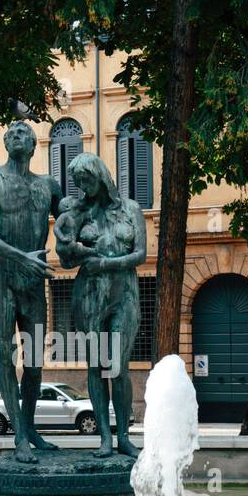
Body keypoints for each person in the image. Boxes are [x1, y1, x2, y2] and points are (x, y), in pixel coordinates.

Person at [0, 121, 61, 463]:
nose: (15, 136)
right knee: (6, 354)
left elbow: (69, 221)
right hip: (1, 276)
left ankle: (30, 427)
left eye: (22, 132)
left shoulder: (48, 186)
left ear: (34, 143)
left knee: (36, 363)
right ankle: (20, 437)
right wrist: (21, 256)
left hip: (34, 282)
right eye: (9, 134)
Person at [53, 152, 147, 458]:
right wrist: (71, 247)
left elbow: (141, 255)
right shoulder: (79, 213)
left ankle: (124, 437)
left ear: (100, 175)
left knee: (118, 368)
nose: (83, 185)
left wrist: (105, 263)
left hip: (125, 295)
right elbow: (66, 261)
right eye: (78, 181)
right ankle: (104, 438)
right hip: (89, 296)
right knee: (95, 367)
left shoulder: (131, 209)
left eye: (86, 178)